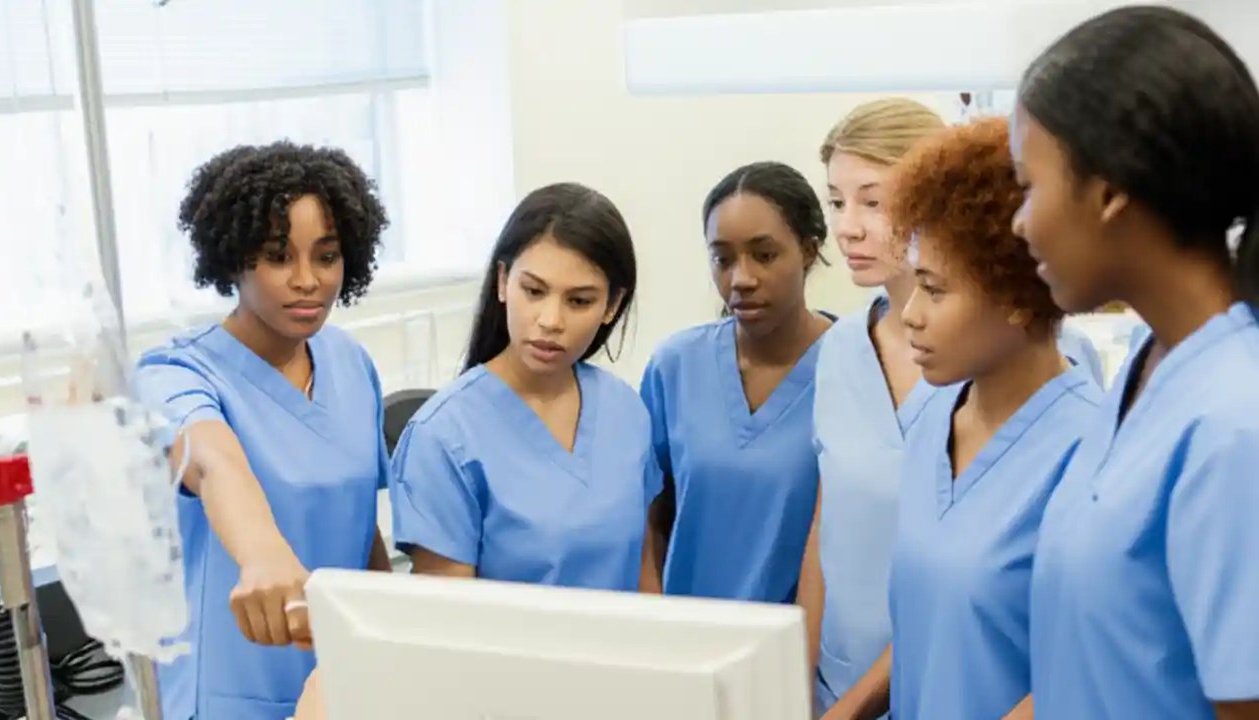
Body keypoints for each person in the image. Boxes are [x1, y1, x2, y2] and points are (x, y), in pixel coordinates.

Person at [1012, 7, 1259, 719]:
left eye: (1029, 186)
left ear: (1110, 190)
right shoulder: (1145, 373)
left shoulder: (1233, 424)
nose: (1018, 222)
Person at [826, 117, 1101, 720]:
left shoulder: (1093, 451)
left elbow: (1091, 671)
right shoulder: (934, 421)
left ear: (1017, 293)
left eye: (936, 290)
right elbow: (934, 626)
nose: (913, 315)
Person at [135, 141, 392, 719]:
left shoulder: (351, 363)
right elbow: (213, 461)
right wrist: (264, 557)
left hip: (338, 682)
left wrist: (386, 641)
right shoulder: (174, 374)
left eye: (326, 257)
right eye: (279, 257)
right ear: (233, 259)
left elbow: (359, 524)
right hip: (230, 688)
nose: (308, 281)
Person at [390, 183, 661, 592]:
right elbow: (446, 625)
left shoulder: (625, 411)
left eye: (579, 301)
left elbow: (643, 572)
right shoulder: (444, 436)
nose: (550, 320)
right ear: (503, 281)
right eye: (533, 292)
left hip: (626, 655)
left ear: (612, 305)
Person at [791, 98, 946, 716]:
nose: (847, 227)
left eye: (872, 201)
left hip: (950, 685)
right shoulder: (841, 351)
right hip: (837, 680)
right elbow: (828, 526)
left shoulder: (1012, 355)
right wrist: (794, 677)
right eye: (836, 201)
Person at [642, 161, 834, 603]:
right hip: (688, 643)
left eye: (764, 255)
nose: (741, 279)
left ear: (808, 249)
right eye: (722, 259)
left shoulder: (853, 369)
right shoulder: (675, 367)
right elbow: (650, 521)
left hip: (798, 654)